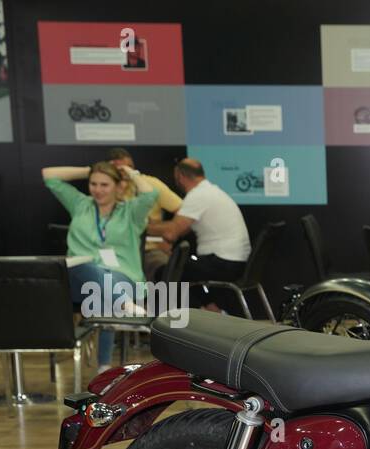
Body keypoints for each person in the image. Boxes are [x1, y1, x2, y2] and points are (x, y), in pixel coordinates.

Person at [43, 162, 157, 372]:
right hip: (81, 282)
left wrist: (130, 172)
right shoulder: (80, 204)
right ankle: (125, 308)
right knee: (83, 264)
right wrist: (88, 170)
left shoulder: (130, 212)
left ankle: (103, 367)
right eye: (93, 184)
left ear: (118, 186)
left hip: (124, 277)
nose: (97, 189)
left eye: (104, 184)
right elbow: (49, 175)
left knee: (105, 289)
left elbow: (151, 195)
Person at [147, 158, 250, 308]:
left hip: (223, 262)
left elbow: (172, 233)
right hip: (233, 261)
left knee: (166, 272)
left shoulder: (197, 196)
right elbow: (183, 227)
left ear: (180, 176)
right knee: (183, 269)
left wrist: (143, 227)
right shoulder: (210, 191)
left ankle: (193, 319)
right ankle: (210, 309)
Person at [106, 148, 183, 279]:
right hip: (116, 251)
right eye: (120, 169)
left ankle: (161, 299)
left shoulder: (150, 184)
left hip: (149, 249)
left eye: (129, 167)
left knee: (162, 267)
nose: (125, 172)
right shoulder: (104, 188)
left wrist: (168, 234)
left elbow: (184, 211)